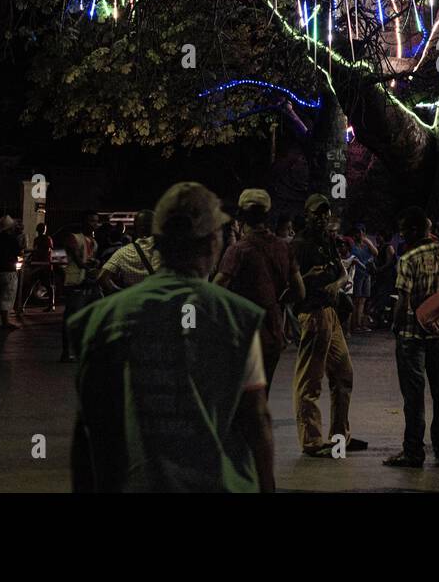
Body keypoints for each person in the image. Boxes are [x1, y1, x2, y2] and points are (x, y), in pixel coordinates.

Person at [70, 182, 276, 492]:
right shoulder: (235, 317)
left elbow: (87, 430)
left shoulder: (101, 319)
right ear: (211, 243)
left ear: (160, 243)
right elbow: (257, 419)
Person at [384, 207, 439, 468]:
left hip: (412, 335)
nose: (402, 235)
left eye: (404, 230)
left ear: (415, 230)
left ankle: (413, 452)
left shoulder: (408, 259)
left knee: (414, 396)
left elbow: (402, 301)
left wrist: (396, 328)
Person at [291, 193, 365, 457]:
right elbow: (290, 282)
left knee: (344, 375)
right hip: (312, 313)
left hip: (330, 313)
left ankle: (339, 436)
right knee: (310, 382)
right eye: (317, 213)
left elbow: (343, 271)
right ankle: (311, 441)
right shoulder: (299, 244)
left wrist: (336, 283)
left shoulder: (328, 242)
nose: (322, 218)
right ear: (307, 215)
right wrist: (305, 278)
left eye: (325, 213)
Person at [216, 190, 304, 388]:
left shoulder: (238, 250)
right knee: (262, 396)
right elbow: (300, 291)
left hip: (243, 334)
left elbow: (217, 289)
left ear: (242, 217)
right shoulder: (283, 248)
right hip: (273, 332)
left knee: (239, 401)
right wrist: (277, 300)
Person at [59, 215, 100, 363]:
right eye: (91, 221)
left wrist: (94, 263)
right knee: (71, 317)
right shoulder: (74, 238)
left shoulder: (93, 242)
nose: (94, 224)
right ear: (84, 223)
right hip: (75, 282)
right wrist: (89, 267)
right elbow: (76, 258)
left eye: (96, 221)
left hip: (88, 282)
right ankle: (67, 352)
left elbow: (86, 259)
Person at [97, 211, 160, 294]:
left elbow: (102, 278)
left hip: (133, 302)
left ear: (135, 227)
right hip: (161, 301)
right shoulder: (166, 249)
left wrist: (122, 293)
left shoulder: (123, 252)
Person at [20, 221, 56, 314]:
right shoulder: (46, 239)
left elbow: (45, 250)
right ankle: (51, 305)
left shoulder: (44, 239)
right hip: (42, 265)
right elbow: (48, 250)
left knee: (37, 285)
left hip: (42, 265)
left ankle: (51, 305)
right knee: (45, 286)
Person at [350, 223, 378, 334]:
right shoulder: (352, 245)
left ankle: (360, 324)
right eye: (357, 233)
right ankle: (354, 324)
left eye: (360, 232)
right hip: (357, 274)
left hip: (367, 275)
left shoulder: (367, 244)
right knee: (356, 300)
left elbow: (376, 253)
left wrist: (367, 242)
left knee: (363, 300)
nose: (358, 235)